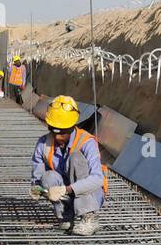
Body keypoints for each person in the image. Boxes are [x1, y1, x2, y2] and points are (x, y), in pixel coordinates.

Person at [29, 95, 105, 235]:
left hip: (90, 196)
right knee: (48, 177)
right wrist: (39, 190)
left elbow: (97, 179)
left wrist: (67, 189)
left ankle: (89, 218)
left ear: (72, 127)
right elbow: (37, 179)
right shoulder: (43, 143)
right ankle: (65, 217)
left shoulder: (87, 142)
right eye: (54, 131)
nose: (58, 137)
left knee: (75, 157)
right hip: (65, 197)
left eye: (63, 133)